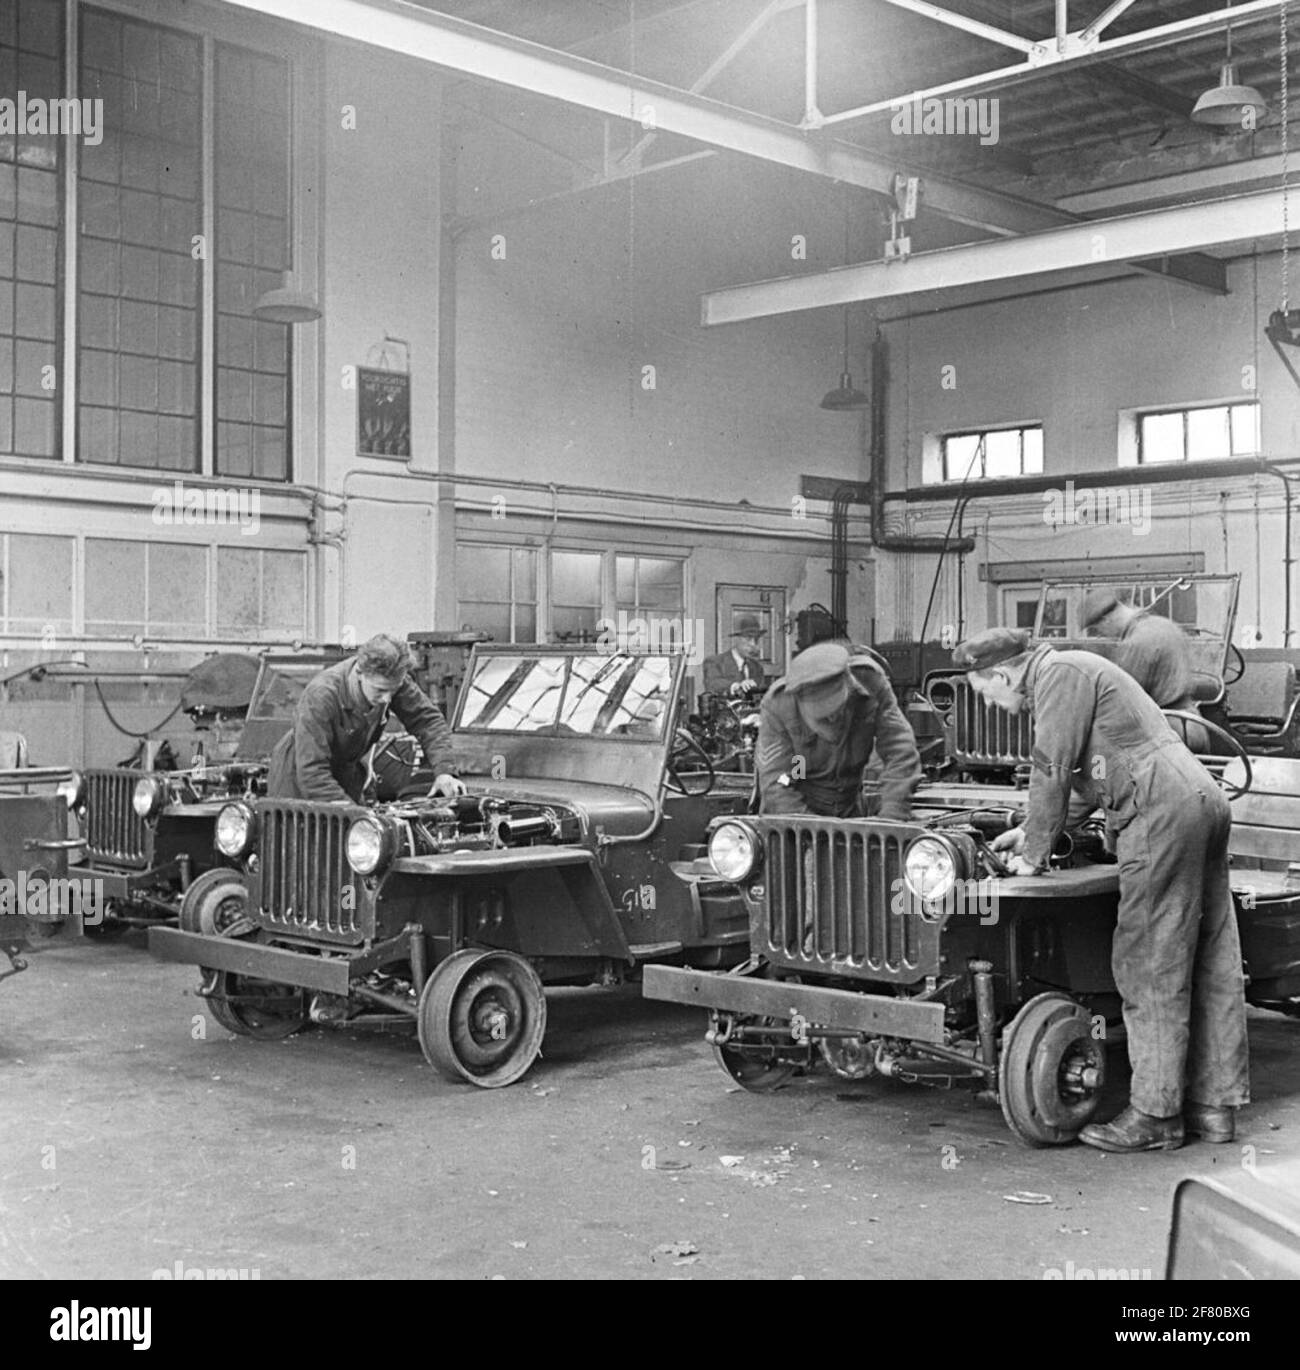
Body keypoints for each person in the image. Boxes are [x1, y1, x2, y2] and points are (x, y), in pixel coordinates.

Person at [956, 625, 1249, 1152]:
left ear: (1002, 674)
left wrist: (1031, 856)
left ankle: (1156, 1115)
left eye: (985, 692)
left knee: (1148, 962)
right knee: (1208, 957)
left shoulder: (1058, 675)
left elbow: (1051, 767)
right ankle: (1215, 1107)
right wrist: (1034, 829)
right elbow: (1095, 770)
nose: (993, 704)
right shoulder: (1077, 672)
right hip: (1198, 798)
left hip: (1159, 812)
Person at [267, 633, 463, 804]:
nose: (387, 699)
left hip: (344, 773)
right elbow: (312, 773)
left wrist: (444, 770)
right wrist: (354, 816)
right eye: (380, 690)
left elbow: (427, 720)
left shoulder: (392, 680)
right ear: (360, 673)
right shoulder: (321, 696)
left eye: (393, 691)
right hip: (297, 780)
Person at [755, 639, 921, 819]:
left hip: (849, 809)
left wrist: (892, 816)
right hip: (794, 813)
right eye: (823, 718)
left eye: (838, 710)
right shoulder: (779, 705)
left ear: (849, 686)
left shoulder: (870, 682)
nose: (833, 719)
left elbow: (900, 752)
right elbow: (777, 784)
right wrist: (810, 833)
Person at [701, 615, 767, 697]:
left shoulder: (757, 667)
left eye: (756, 639)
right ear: (735, 639)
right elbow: (712, 684)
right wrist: (736, 686)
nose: (753, 644)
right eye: (748, 638)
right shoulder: (715, 662)